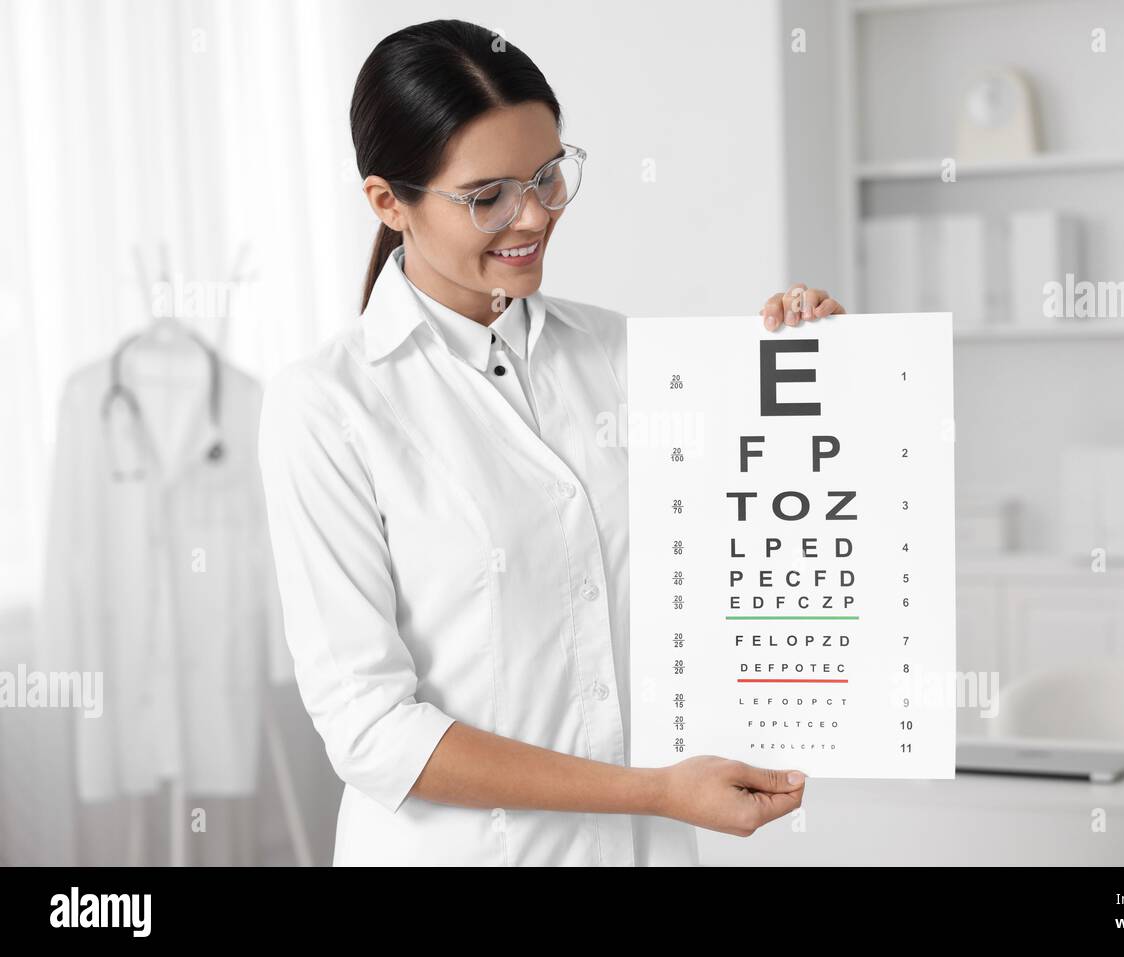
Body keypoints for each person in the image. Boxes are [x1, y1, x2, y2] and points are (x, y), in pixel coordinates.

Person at [258, 18, 846, 866]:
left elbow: (755, 542)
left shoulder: (624, 355)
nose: (533, 215)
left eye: (548, 175)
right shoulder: (327, 408)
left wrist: (823, 371)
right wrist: (650, 789)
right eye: (486, 195)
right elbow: (374, 731)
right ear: (390, 202)